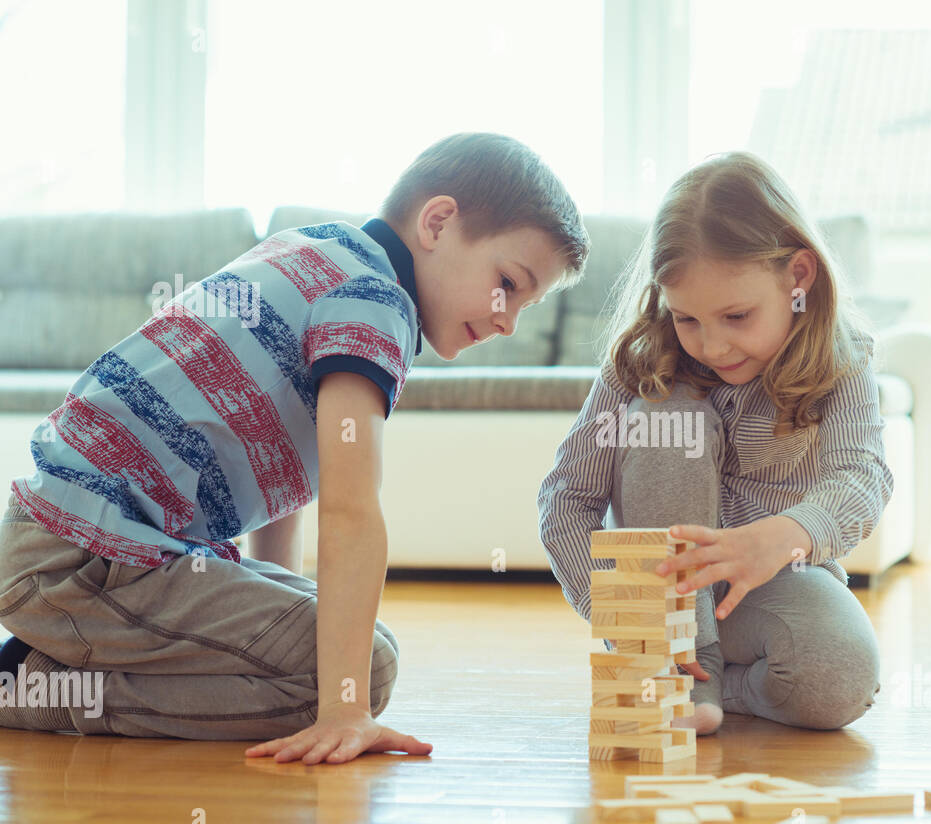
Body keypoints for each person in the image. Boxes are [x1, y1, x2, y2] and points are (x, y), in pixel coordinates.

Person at [0, 132, 588, 765]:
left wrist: (279, 590)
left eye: (526, 304)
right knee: (367, 667)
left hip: (64, 545)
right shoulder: (376, 302)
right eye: (508, 283)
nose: (508, 321)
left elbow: (278, 460)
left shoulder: (322, 251)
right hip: (83, 559)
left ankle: (43, 660)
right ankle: (35, 690)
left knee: (340, 635)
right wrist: (344, 711)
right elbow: (351, 507)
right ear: (438, 222)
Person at [538, 151, 891, 736]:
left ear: (797, 277)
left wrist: (785, 536)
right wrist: (622, 611)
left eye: (736, 316)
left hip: (774, 588)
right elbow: (566, 498)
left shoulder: (843, 360)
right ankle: (682, 664)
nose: (713, 346)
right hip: (661, 597)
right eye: (687, 320)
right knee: (667, 414)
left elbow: (862, 479)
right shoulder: (638, 364)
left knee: (841, 677)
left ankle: (711, 685)